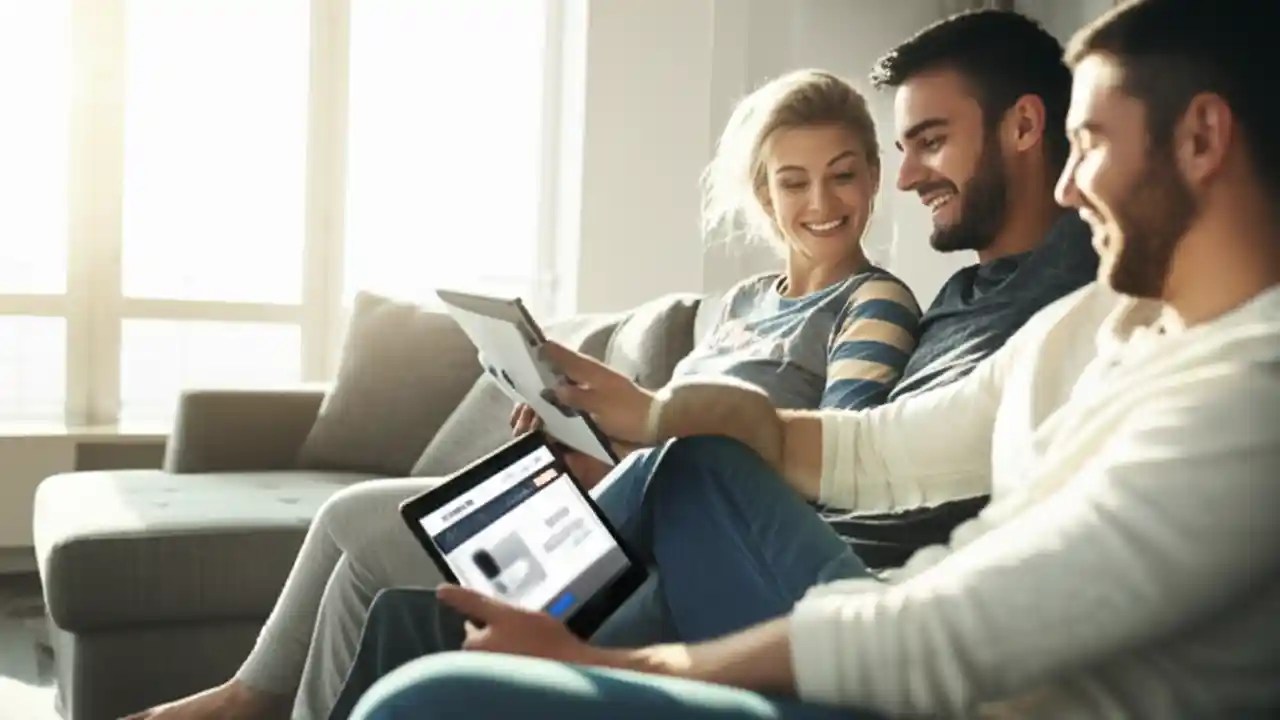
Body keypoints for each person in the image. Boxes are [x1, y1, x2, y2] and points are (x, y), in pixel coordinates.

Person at [349, 0, 1280, 717]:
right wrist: (656, 415)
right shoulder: (1092, 328)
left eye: (1091, 145)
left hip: (948, 690)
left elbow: (948, 634)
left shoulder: (1250, 397)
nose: (1073, 182)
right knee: (695, 465)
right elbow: (874, 452)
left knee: (420, 699)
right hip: (888, 617)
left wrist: (603, 667)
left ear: (1200, 139)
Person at [125, 69, 922, 720]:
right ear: (766, 193)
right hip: (628, 498)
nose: (821, 204)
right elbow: (673, 433)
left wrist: (625, 456)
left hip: (680, 537)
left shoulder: (872, 304)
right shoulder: (746, 300)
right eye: (795, 182)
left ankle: (247, 702)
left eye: (842, 176)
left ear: (875, 178)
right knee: (366, 564)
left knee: (358, 527)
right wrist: (576, 433)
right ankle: (259, 700)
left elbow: (835, 455)